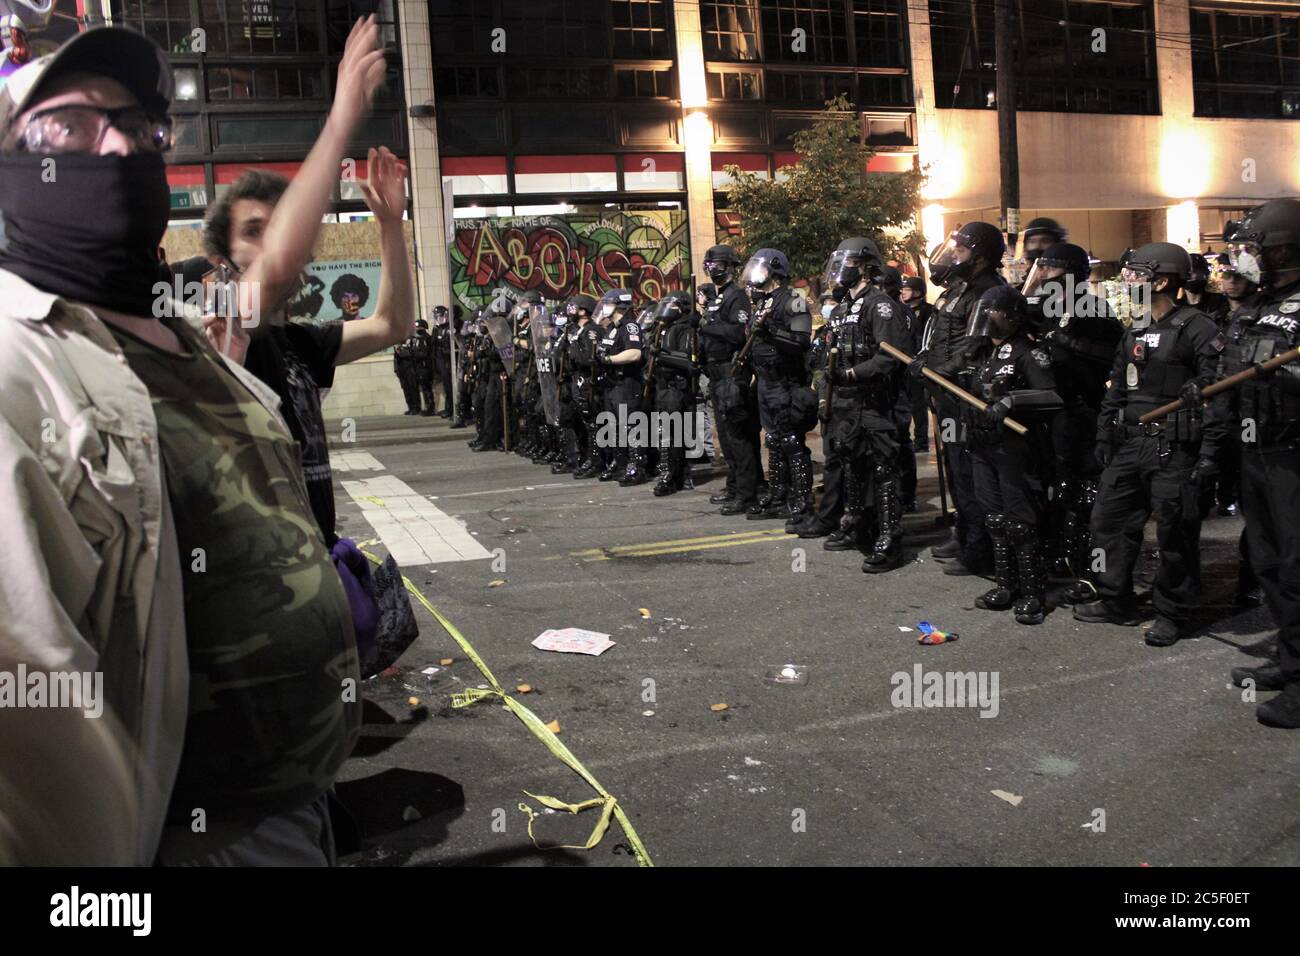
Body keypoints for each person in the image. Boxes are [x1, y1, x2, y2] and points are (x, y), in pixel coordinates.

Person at [0, 23, 369, 865]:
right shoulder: (19, 362)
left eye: (136, 124)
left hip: (294, 808)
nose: (118, 143)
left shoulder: (192, 334)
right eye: (72, 127)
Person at [1073, 242, 1225, 648]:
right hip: (1130, 445)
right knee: (1108, 521)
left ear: (1161, 281)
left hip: (1175, 447)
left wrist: (1210, 454)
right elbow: (1118, 385)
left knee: (1175, 533)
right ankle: (1113, 597)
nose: (1128, 281)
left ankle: (1172, 612)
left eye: (1136, 274)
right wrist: (1105, 431)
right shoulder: (1136, 327)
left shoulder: (1198, 327)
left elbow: (1218, 393)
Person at [1215, 199, 1300, 726]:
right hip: (1256, 451)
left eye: (1256, 249)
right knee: (1269, 565)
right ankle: (1291, 660)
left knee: (1297, 566)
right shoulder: (1259, 305)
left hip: (1294, 454)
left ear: (1286, 248)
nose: (1247, 261)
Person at [948, 287, 1063, 625]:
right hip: (983, 444)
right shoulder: (983, 354)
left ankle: (1032, 592)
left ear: (1010, 315)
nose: (986, 317)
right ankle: (1005, 585)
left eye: (993, 311)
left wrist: (1015, 401)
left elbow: (1051, 395)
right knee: (995, 519)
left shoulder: (1028, 353)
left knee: (1019, 522)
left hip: (1015, 447)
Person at [795, 238, 910, 575]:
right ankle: (858, 524)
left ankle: (890, 538)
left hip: (873, 401)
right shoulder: (845, 307)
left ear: (864, 265)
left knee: (884, 471)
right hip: (846, 402)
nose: (841, 270)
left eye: (848, 263)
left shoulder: (880, 305)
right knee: (852, 466)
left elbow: (890, 356)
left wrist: (852, 372)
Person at [1020, 242, 1123, 593]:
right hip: (1049, 411)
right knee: (1050, 484)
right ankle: (1053, 551)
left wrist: (1065, 341)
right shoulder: (1044, 309)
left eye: (1049, 269)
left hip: (1081, 410)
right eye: (1041, 269)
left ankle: (1085, 564)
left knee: (1080, 491)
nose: (1042, 275)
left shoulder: (1094, 308)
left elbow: (1113, 355)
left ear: (1069, 274)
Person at [915, 221, 1008, 577]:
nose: (954, 255)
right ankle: (964, 530)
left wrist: (943, 372)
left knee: (970, 470)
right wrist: (926, 360)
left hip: (966, 395)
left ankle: (980, 547)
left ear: (981, 256)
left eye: (962, 249)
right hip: (946, 395)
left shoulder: (989, 291)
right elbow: (942, 335)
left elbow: (975, 346)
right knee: (954, 465)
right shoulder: (960, 287)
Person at [740, 248, 816, 521]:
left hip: (786, 381)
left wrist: (771, 333)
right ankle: (777, 495)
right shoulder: (762, 302)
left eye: (759, 269)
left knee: (792, 440)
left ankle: (801, 501)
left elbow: (801, 341)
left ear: (774, 271)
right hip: (765, 381)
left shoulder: (792, 300)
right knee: (772, 440)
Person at [698, 245, 764, 515]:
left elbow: (739, 333)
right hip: (715, 372)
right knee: (725, 438)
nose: (711, 269)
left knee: (738, 436)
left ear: (728, 266)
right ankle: (735, 484)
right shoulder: (717, 297)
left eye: (716, 265)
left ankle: (747, 493)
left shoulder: (736, 296)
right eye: (709, 265)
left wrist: (706, 326)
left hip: (731, 371)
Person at [593, 288, 649, 484]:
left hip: (627, 383)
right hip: (612, 385)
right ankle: (621, 464)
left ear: (620, 305)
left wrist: (609, 360)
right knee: (615, 427)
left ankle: (637, 467)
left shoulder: (629, 326)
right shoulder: (612, 327)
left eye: (609, 303)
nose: (605, 307)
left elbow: (635, 353)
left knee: (631, 426)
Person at [647, 290, 698, 496]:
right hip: (663, 387)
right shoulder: (661, 328)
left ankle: (672, 475)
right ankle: (678, 474)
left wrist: (662, 356)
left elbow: (688, 360)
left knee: (674, 435)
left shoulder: (685, 328)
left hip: (677, 388)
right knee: (667, 434)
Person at [899, 275, 933, 453]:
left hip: (921, 363)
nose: (903, 292)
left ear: (918, 292)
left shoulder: (929, 311)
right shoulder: (901, 311)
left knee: (919, 404)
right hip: (904, 362)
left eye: (907, 289)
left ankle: (921, 440)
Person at [394, 329, 419, 414]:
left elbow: (411, 353)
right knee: (406, 389)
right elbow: (396, 358)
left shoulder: (412, 341)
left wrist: (401, 351)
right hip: (402, 369)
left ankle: (416, 407)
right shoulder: (398, 344)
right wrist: (396, 369)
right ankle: (410, 407)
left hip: (410, 368)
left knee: (413, 388)